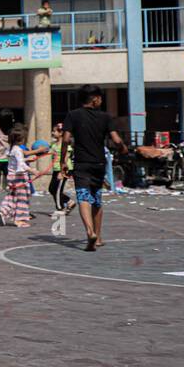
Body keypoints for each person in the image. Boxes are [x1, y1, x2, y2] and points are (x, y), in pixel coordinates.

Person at [59, 85, 126, 251]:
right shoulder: (105, 117)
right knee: (97, 199)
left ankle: (90, 232)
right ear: (95, 99)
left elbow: (66, 139)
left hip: (81, 163)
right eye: (100, 98)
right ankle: (98, 236)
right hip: (99, 163)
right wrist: (123, 148)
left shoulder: (72, 115)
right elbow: (116, 140)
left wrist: (62, 160)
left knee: (83, 197)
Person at [0, 124, 43, 228]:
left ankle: (3, 211)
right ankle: (20, 220)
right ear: (21, 139)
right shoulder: (18, 150)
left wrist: (27, 159)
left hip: (11, 176)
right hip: (19, 177)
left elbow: (16, 162)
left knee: (12, 195)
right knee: (22, 198)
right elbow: (20, 166)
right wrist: (33, 170)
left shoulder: (10, 149)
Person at [46, 123, 74, 214]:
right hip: (56, 169)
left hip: (64, 169)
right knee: (51, 189)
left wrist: (62, 172)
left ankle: (60, 208)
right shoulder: (54, 144)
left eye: (54, 131)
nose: (52, 133)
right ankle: (69, 202)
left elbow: (66, 156)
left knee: (58, 190)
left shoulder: (65, 144)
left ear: (61, 133)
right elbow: (49, 152)